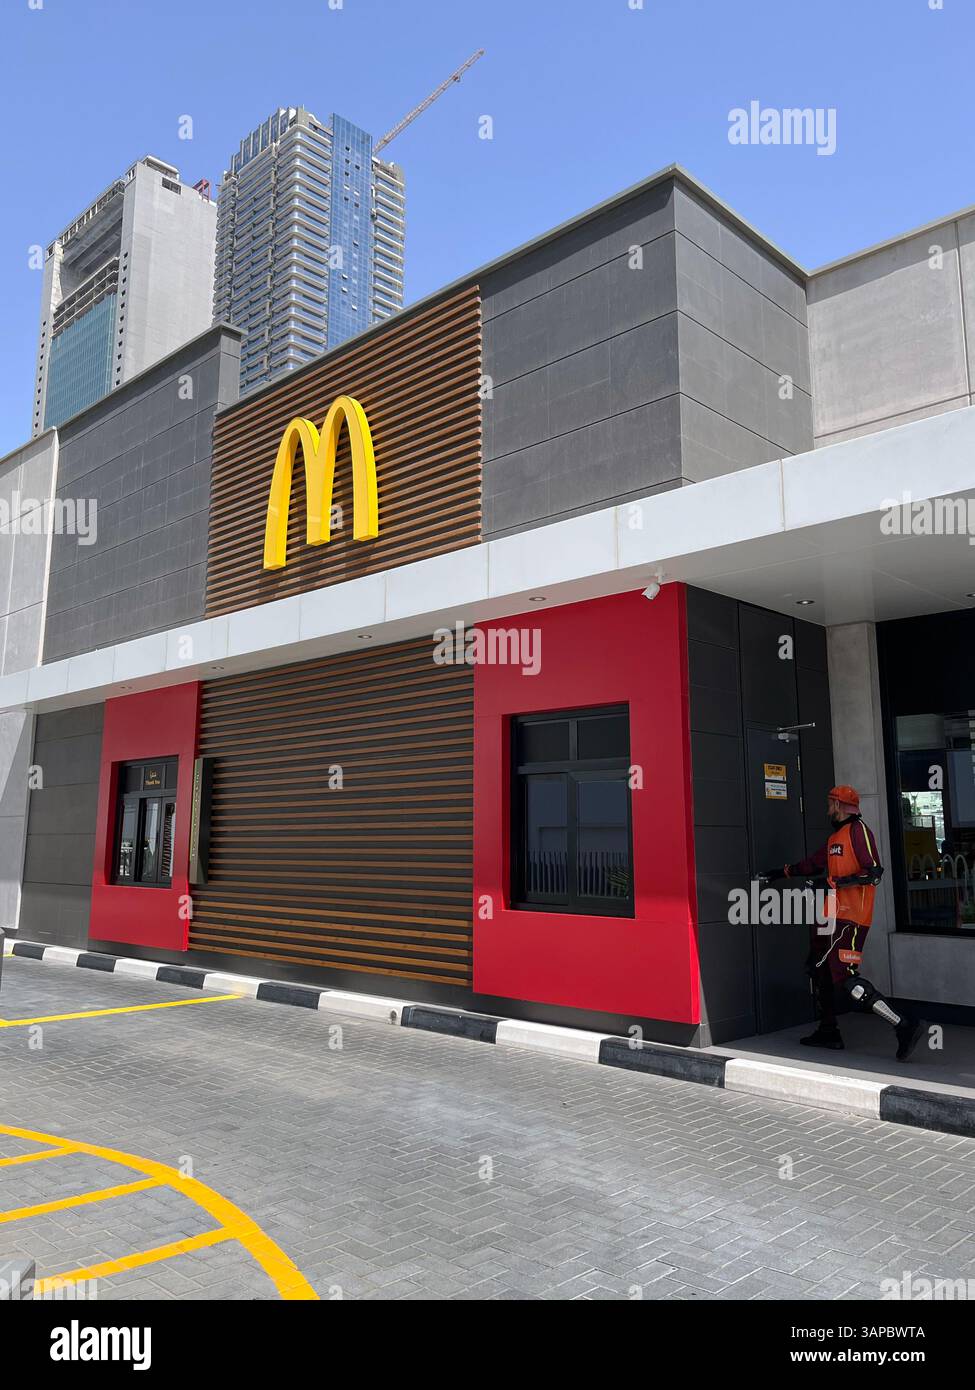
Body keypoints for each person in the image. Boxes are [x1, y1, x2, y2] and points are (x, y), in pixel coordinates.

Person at [760, 784, 925, 1061]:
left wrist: (833, 882)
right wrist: (778, 873)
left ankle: (903, 1024)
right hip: (831, 916)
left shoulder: (859, 831)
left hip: (851, 917)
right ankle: (828, 1031)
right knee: (818, 967)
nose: (827, 810)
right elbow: (812, 864)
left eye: (829, 804)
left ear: (838, 805)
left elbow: (873, 872)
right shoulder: (836, 838)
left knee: (845, 976)